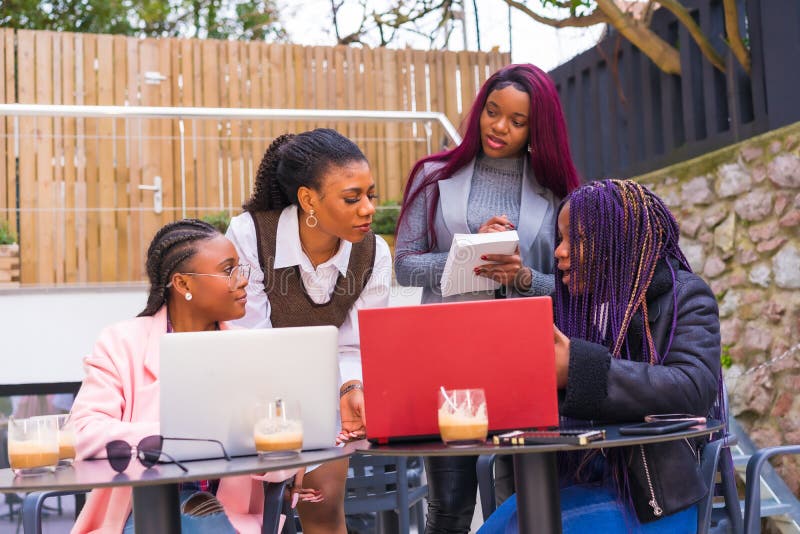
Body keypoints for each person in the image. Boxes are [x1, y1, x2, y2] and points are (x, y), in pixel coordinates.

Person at [394, 63, 580, 533]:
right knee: (451, 502)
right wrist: (468, 251)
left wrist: (520, 278)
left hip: (524, 354)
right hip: (448, 351)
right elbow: (405, 264)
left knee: (519, 497)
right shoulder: (434, 175)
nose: (500, 127)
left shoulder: (555, 190)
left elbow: (570, 285)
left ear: (537, 128)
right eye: (492, 112)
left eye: (517, 122)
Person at [479, 179, 723, 533]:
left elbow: (692, 387)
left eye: (573, 240)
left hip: (650, 502)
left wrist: (578, 368)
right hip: (573, 483)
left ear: (615, 241)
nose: (559, 252)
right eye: (560, 239)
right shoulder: (576, 306)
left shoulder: (684, 296)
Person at [70, 219, 317, 534]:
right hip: (138, 513)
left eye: (241, 269)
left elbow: (280, 462)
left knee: (196, 517)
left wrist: (283, 459)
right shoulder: (121, 344)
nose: (243, 281)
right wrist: (186, 439)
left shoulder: (251, 351)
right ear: (184, 284)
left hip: (227, 515)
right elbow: (84, 433)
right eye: (229, 270)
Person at [226, 128, 392, 534]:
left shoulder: (374, 253)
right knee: (248, 520)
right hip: (247, 395)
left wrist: (351, 388)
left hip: (322, 392)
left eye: (371, 194)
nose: (368, 208)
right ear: (308, 200)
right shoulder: (251, 235)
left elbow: (354, 344)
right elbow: (252, 340)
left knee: (323, 506)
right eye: (352, 198)